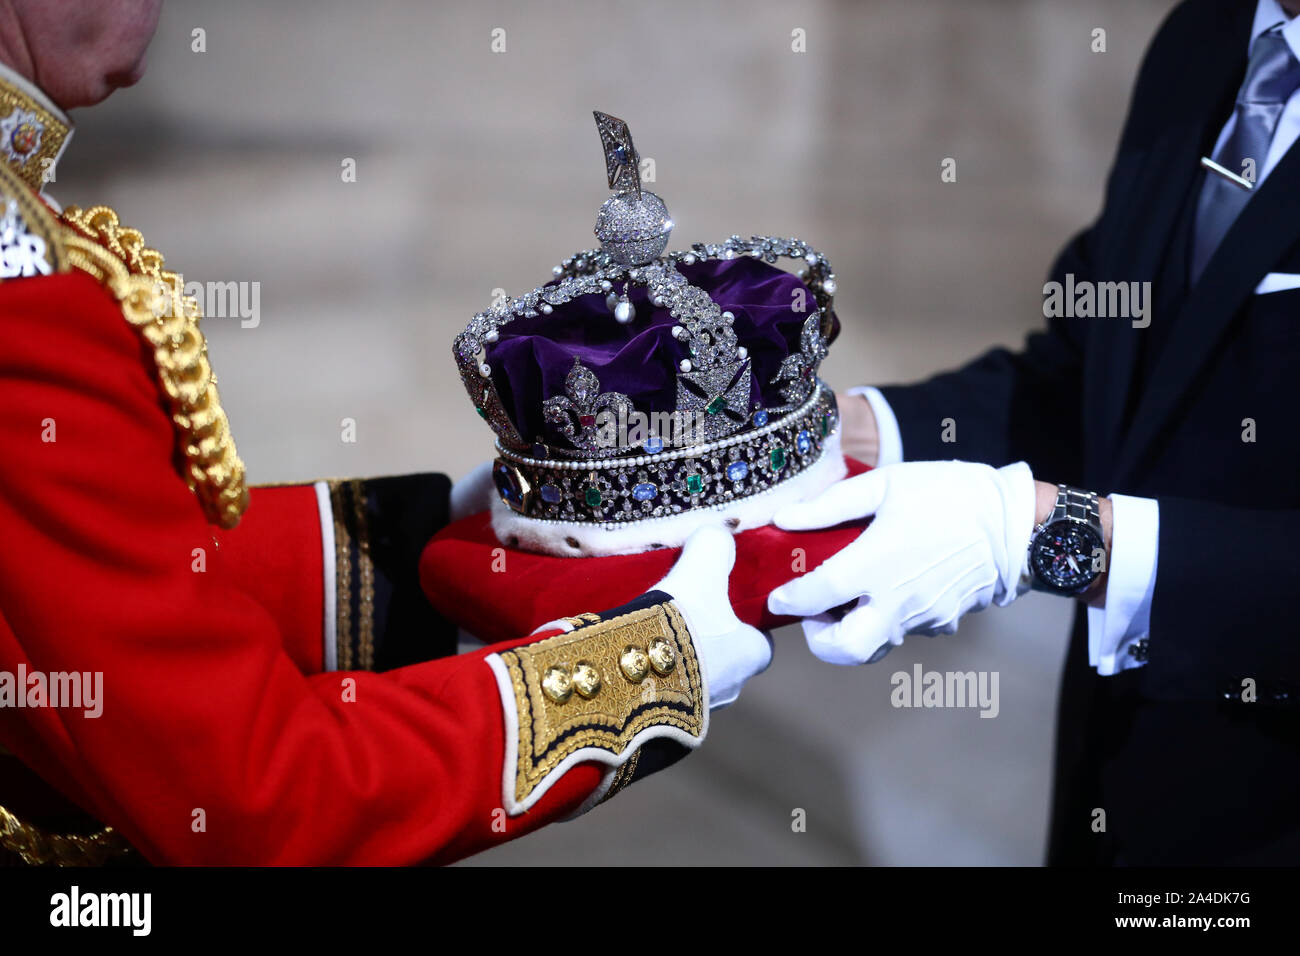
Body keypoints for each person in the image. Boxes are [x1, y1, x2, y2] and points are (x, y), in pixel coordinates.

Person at [0, 0, 771, 865]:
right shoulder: (20, 308)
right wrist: (650, 671)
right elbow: (261, 802)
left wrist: (435, 540)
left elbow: (98, 581)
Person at [771, 0, 1300, 865]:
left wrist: (1040, 535)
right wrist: (844, 433)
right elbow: (1096, 377)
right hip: (1121, 784)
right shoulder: (1205, 35)